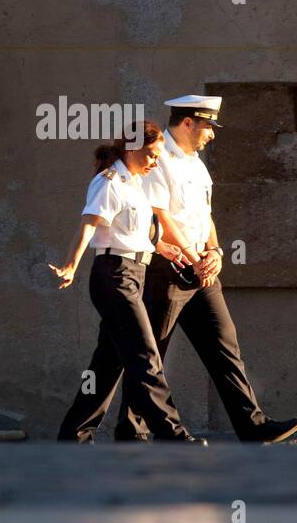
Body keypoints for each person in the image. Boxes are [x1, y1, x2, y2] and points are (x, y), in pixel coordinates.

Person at [114, 95, 297, 445]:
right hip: (167, 269)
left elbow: (205, 217)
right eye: (208, 126)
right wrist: (192, 254)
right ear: (188, 123)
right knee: (150, 352)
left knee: (225, 345)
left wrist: (215, 251)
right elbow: (159, 215)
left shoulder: (197, 165)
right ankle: (132, 431)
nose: (212, 134)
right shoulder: (160, 157)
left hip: (202, 270)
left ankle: (253, 425)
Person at [50, 120, 206, 443]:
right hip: (114, 276)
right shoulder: (109, 182)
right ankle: (173, 435)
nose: (154, 162)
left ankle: (73, 436)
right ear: (132, 148)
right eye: (150, 154)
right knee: (145, 355)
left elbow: (131, 232)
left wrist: (160, 246)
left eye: (158, 156)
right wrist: (71, 264)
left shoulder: (137, 185)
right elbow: (89, 226)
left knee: (109, 361)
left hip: (134, 273)